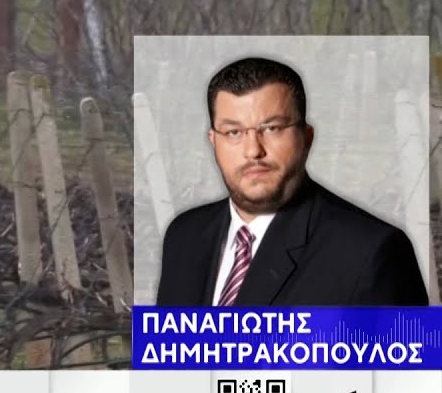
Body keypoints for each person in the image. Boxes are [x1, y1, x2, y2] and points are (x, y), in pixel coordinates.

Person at [155, 56, 430, 307]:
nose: (253, 151)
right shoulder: (183, 236)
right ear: (214, 142)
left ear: (306, 137)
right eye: (233, 132)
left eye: (272, 128)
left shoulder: (372, 251)